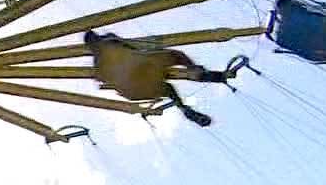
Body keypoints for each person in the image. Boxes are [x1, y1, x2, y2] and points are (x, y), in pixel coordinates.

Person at [84, 31, 235, 127]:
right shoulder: (108, 41)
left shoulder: (97, 65)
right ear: (97, 38)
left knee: (167, 88)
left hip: (135, 91)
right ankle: (207, 75)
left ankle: (183, 108)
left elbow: (103, 82)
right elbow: (131, 46)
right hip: (143, 68)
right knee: (176, 56)